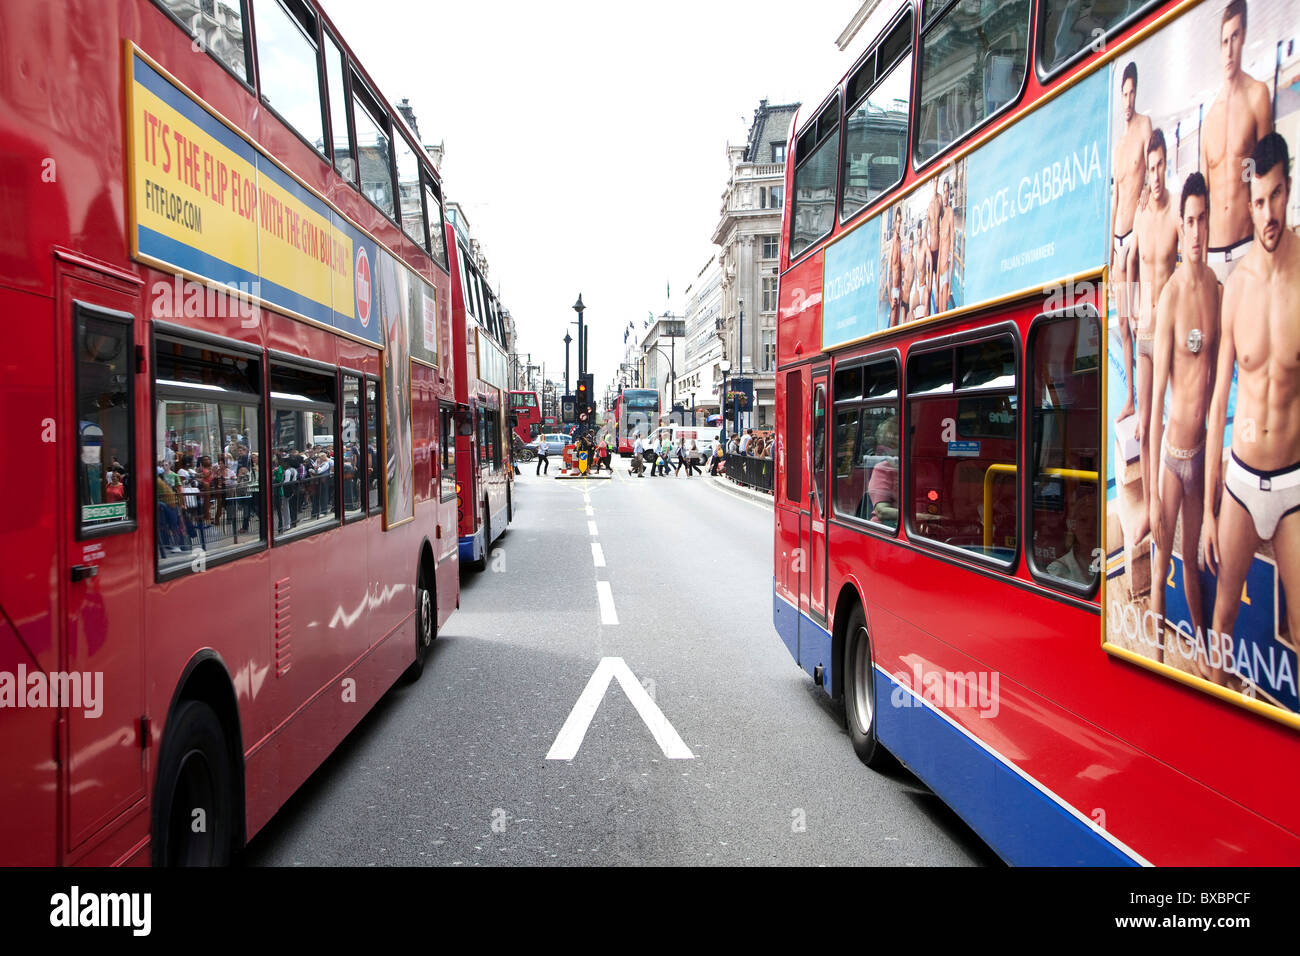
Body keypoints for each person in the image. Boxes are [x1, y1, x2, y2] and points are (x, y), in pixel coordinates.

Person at [1203, 132, 1299, 687]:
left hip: (1292, 487)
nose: (1267, 214)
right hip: (1239, 483)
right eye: (1258, 201)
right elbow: (1219, 405)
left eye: (1277, 196)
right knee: (1222, 620)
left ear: (1289, 186)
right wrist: (1212, 509)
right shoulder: (1236, 288)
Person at [1149, 172, 1219, 672]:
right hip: (1173, 459)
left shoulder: (1217, 288)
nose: (1195, 232)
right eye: (1188, 221)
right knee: (1158, 571)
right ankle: (1153, 664)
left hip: (1201, 459)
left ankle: (1206, 662)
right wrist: (1152, 490)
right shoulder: (1170, 297)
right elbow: (1154, 407)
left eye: (1202, 221)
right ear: (1180, 223)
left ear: (1209, 223)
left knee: (1193, 568)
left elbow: (1216, 390)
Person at [1128, 127, 1182, 544]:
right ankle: (1150, 507)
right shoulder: (1142, 215)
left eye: (1161, 165)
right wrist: (1129, 303)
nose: (1157, 174)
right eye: (1151, 167)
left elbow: (1193, 264)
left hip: (1168, 336)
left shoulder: (1176, 213)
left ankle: (1169, 502)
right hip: (1144, 335)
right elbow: (1131, 259)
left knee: (1175, 423)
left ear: (1168, 163)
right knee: (1145, 428)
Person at [1201, 0, 1273, 283]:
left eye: (1234, 37)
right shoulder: (1209, 118)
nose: (1228, 49)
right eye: (1223, 41)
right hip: (1214, 252)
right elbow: (1201, 195)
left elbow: (1268, 173)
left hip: (1247, 246)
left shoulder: (1257, 96)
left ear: (1243, 36)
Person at [1111, 60, 1153, 424]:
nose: (1127, 100)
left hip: (1136, 238)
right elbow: (1116, 197)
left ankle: (1147, 397)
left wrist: (1137, 236)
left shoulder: (1143, 129)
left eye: (1131, 92)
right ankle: (1131, 398)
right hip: (1118, 238)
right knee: (1123, 324)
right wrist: (1108, 244)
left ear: (1136, 92)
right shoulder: (1120, 144)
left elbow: (1149, 184)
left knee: (1140, 323)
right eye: (1123, 94)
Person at [1046, 487, 1099, 585]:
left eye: (1096, 521)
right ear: (1073, 525)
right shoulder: (1058, 569)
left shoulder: (1109, 560)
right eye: (1083, 520)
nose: (1089, 526)